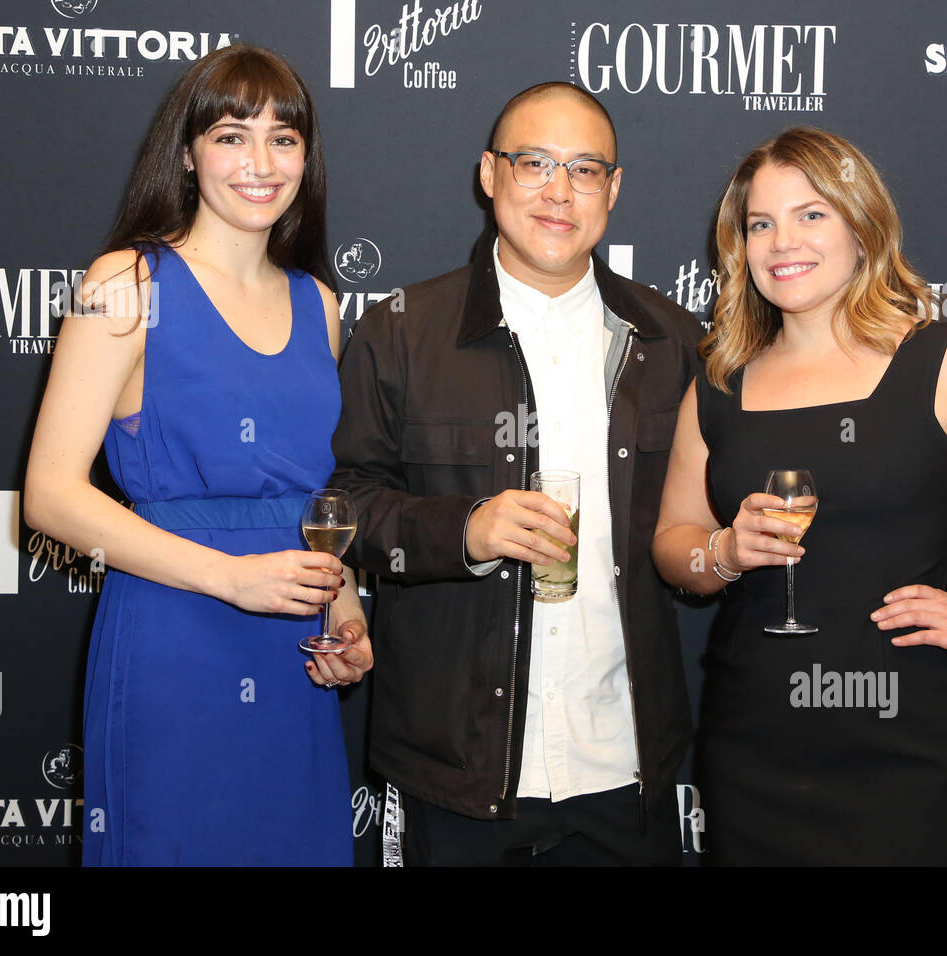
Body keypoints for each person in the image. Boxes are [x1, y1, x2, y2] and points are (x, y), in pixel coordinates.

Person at [651, 127, 947, 865]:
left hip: (907, 758)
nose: (784, 240)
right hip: (754, 747)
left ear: (860, 224)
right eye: (761, 222)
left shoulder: (942, 362)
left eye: (811, 213)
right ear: (739, 246)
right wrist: (719, 552)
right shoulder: (720, 383)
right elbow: (673, 541)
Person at [330, 82, 701, 865]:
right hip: (456, 770)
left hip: (624, 766)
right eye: (533, 162)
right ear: (488, 175)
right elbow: (345, 506)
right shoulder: (400, 331)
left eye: (586, 169)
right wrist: (465, 528)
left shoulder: (673, 340)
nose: (558, 191)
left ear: (615, 188)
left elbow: (719, 517)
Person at [24, 45, 372, 866]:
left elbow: (313, 495)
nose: (261, 162)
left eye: (284, 139)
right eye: (231, 135)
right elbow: (49, 495)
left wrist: (347, 607)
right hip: (174, 639)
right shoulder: (127, 283)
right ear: (187, 152)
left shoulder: (316, 301)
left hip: (291, 649)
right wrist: (231, 577)